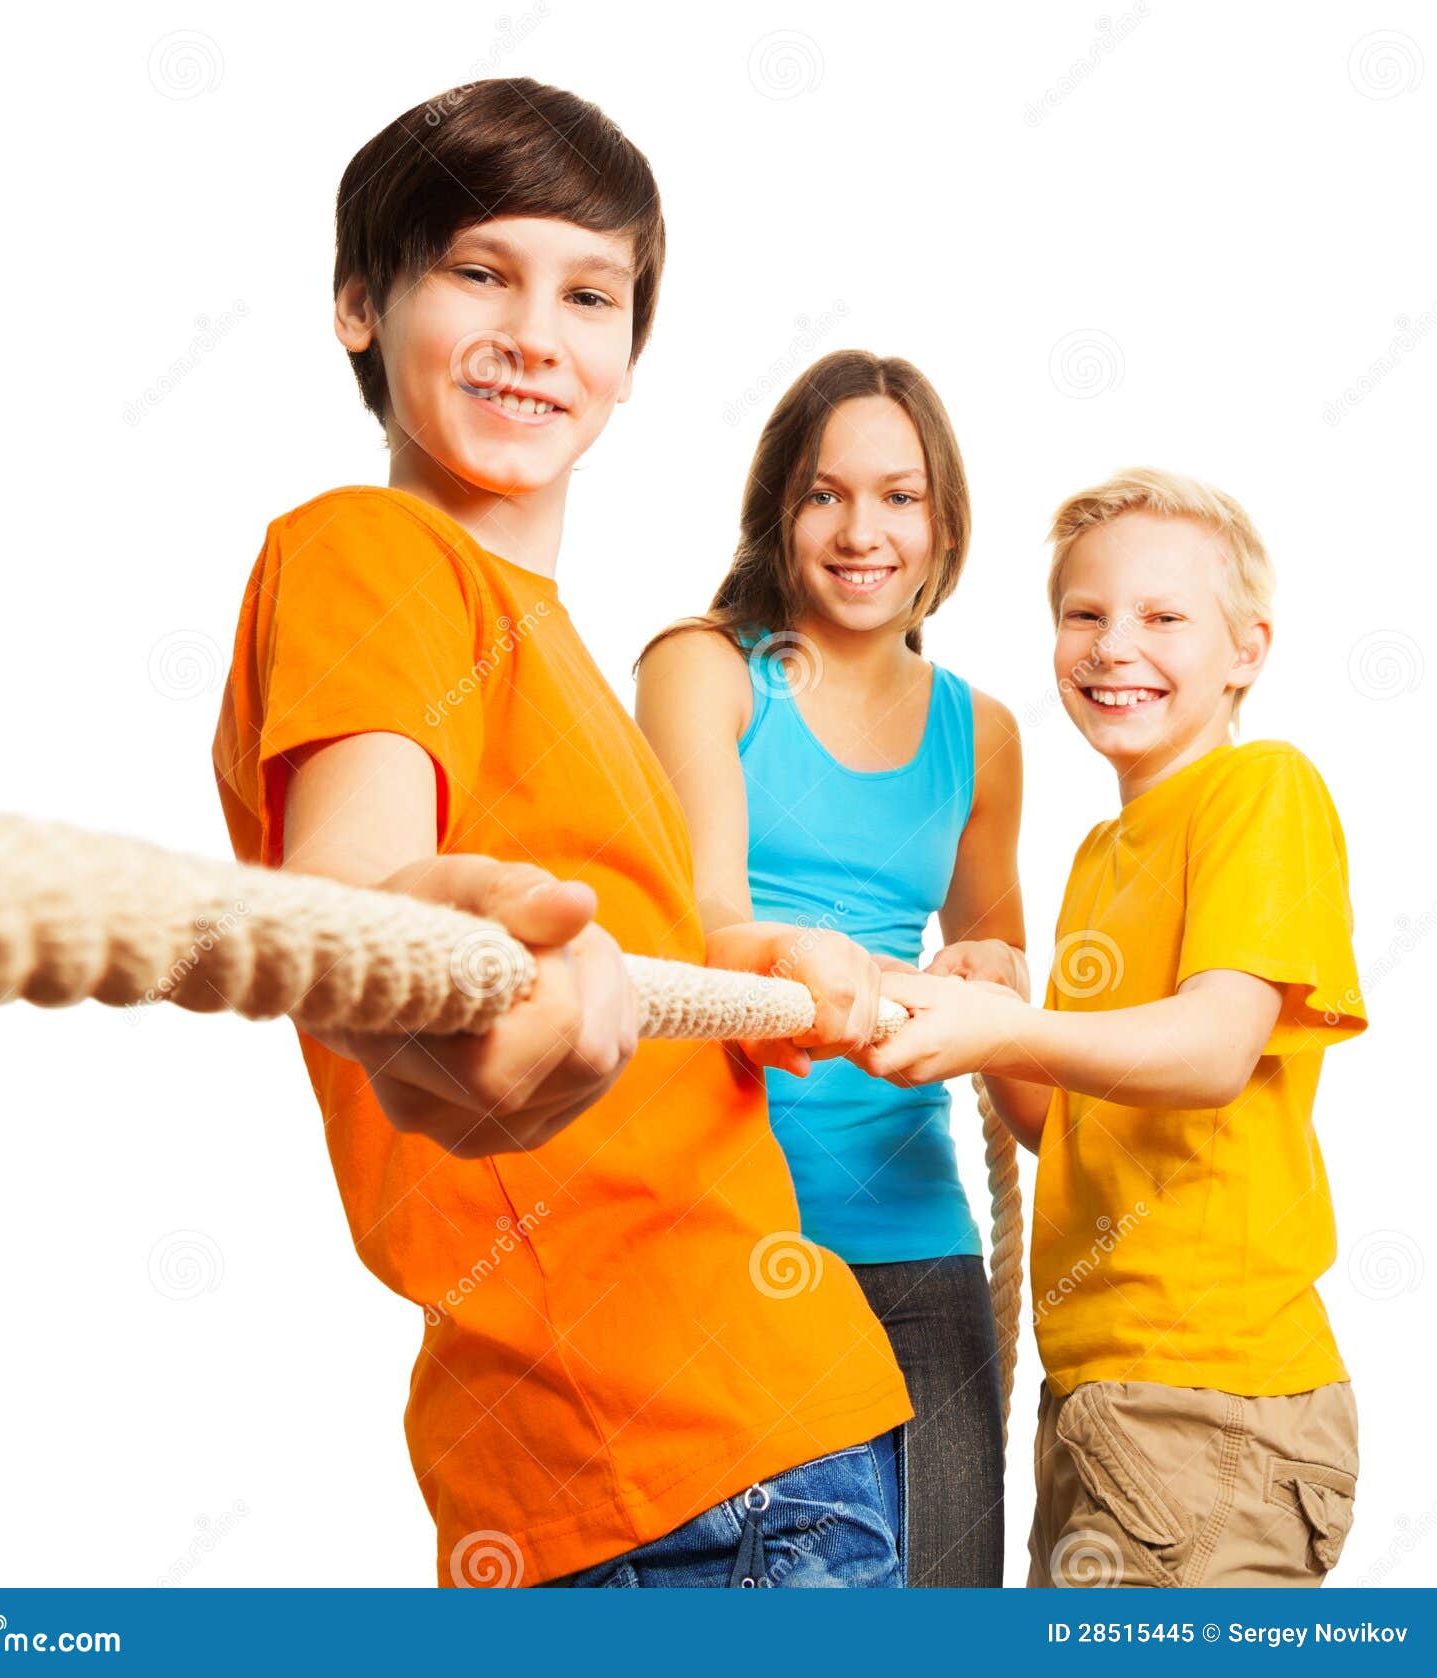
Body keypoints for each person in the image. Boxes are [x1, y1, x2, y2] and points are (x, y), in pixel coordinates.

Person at [210, 79, 912, 1590]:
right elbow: (358, 890)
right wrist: (426, 937)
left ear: (627, 360)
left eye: (589, 294)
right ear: (357, 303)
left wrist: (768, 949)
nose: (537, 332)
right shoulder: (370, 549)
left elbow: (651, 957)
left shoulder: (566, 658)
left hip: (746, 1442)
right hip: (662, 1456)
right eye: (478, 271)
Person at [855, 469, 1367, 1586]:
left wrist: (1001, 1031)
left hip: (1208, 1403)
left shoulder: (1259, 791)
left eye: (1161, 616)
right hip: (1100, 1401)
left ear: (1246, 650)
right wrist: (994, 1015)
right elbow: (1071, 1124)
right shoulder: (1099, 854)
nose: (1110, 643)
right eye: (1082, 614)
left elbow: (1212, 1049)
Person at [634, 351, 1025, 1586]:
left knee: (949, 1619)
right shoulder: (702, 668)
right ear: (779, 512)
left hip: (918, 1240)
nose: (865, 531)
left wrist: (995, 980)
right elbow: (699, 926)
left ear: (943, 519)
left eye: (901, 496)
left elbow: (1010, 1039)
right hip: (733, 1222)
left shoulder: (984, 734)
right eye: (825, 493)